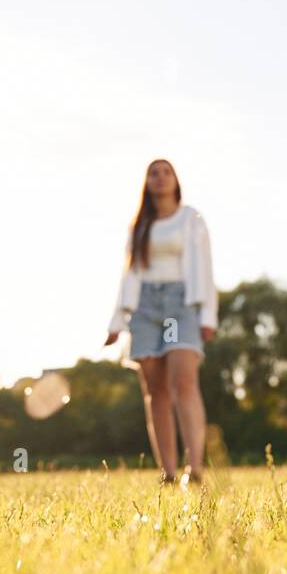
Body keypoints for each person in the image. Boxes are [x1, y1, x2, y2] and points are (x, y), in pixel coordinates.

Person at [106, 158, 218, 488]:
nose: (160, 177)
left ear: (175, 180)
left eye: (166, 171)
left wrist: (207, 315)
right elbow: (129, 273)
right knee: (155, 390)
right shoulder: (139, 225)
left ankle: (194, 468)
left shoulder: (190, 218)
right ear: (147, 182)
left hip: (181, 303)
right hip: (143, 308)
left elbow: (206, 267)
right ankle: (167, 472)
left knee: (183, 382)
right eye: (153, 173)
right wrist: (117, 320)